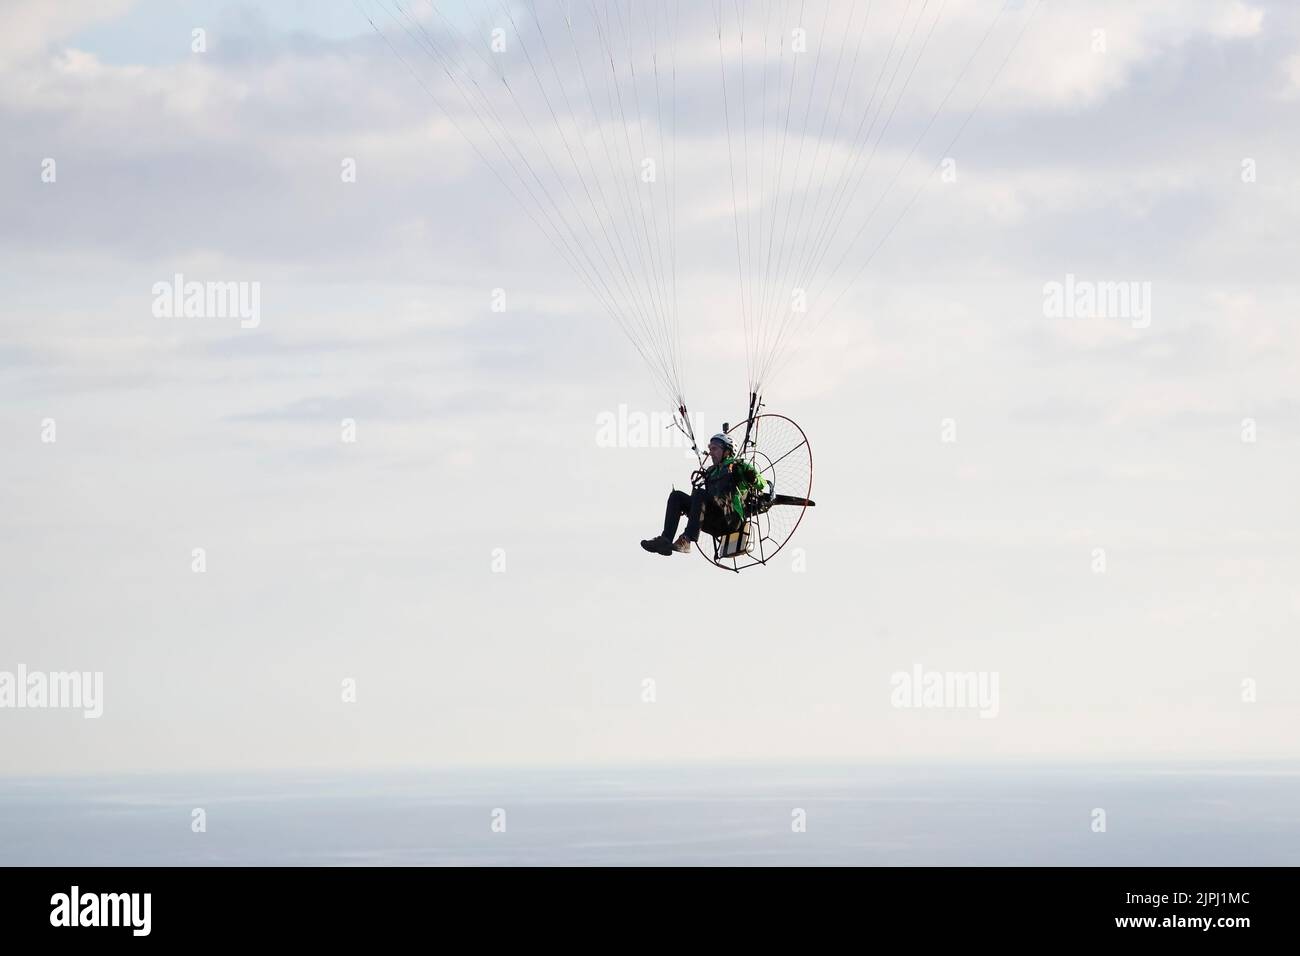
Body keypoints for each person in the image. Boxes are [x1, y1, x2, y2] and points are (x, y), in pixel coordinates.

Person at [641, 432, 766, 556]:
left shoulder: (739, 466)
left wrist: (753, 478)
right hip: (713, 521)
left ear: (727, 451)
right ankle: (665, 540)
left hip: (731, 520)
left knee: (700, 494)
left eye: (714, 449)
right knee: (677, 496)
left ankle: (687, 539)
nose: (711, 452)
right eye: (710, 449)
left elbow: (762, 484)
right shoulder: (711, 472)